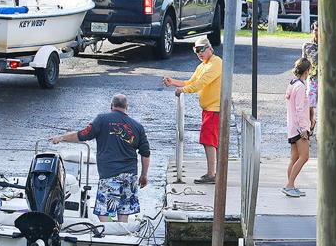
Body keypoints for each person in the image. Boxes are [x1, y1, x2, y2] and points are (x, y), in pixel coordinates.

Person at [50, 93, 150, 222]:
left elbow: (82, 135)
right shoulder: (137, 126)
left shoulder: (102, 119)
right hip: (130, 175)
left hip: (110, 175)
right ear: (127, 107)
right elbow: (145, 153)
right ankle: (122, 234)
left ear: (111, 106)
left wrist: (62, 137)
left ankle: (108, 229)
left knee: (104, 211)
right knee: (124, 211)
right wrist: (144, 175)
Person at [159, 38, 223, 184]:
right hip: (209, 109)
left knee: (209, 141)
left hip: (215, 109)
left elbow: (200, 84)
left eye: (202, 49)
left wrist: (183, 90)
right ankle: (215, 172)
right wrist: (174, 82)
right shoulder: (203, 65)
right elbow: (191, 82)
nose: (199, 53)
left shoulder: (216, 63)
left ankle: (212, 174)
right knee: (211, 141)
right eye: (196, 50)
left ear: (210, 48)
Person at [282, 58, 314, 197]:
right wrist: (304, 130)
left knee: (294, 158)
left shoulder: (292, 84)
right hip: (299, 128)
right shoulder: (301, 87)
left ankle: (290, 185)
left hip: (292, 126)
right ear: (307, 71)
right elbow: (300, 109)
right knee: (304, 157)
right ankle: (289, 185)